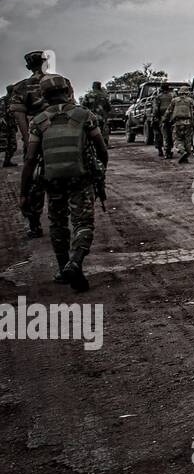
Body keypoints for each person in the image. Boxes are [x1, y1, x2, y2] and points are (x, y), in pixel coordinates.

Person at [21, 75, 108, 292]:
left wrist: (24, 191)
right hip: (81, 179)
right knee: (83, 223)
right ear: (68, 90)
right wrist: (100, 173)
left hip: (52, 181)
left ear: (43, 95)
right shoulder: (84, 115)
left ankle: (64, 269)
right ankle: (76, 262)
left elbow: (30, 159)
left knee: (58, 224)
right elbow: (101, 149)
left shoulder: (39, 121)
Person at [10, 50, 50, 236]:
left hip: (37, 137)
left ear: (28, 66)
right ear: (45, 63)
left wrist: (28, 141)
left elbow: (20, 117)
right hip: (60, 136)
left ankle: (34, 224)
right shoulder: (60, 82)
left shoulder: (21, 87)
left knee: (34, 181)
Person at [165, 84, 194, 164]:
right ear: (187, 92)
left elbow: (168, 111)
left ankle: (182, 151)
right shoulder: (191, 101)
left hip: (177, 123)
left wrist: (165, 120)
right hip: (188, 123)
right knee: (187, 140)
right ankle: (186, 156)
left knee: (177, 139)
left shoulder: (174, 100)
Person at [81, 82, 113, 146]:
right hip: (102, 117)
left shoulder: (88, 95)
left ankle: (92, 145)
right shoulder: (104, 96)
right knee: (103, 130)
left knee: (91, 130)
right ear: (99, 87)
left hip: (90, 117)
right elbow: (109, 108)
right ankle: (105, 144)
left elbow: (83, 106)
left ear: (93, 87)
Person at [152, 82, 175, 158]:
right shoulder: (172, 96)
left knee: (159, 134)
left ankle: (162, 150)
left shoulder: (158, 97)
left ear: (161, 88)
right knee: (169, 135)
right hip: (171, 118)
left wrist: (155, 117)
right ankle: (168, 150)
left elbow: (155, 109)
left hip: (161, 118)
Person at [1, 84, 17, 167]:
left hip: (11, 126)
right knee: (2, 145)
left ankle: (7, 162)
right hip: (3, 128)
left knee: (12, 145)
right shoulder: (2, 100)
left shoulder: (13, 100)